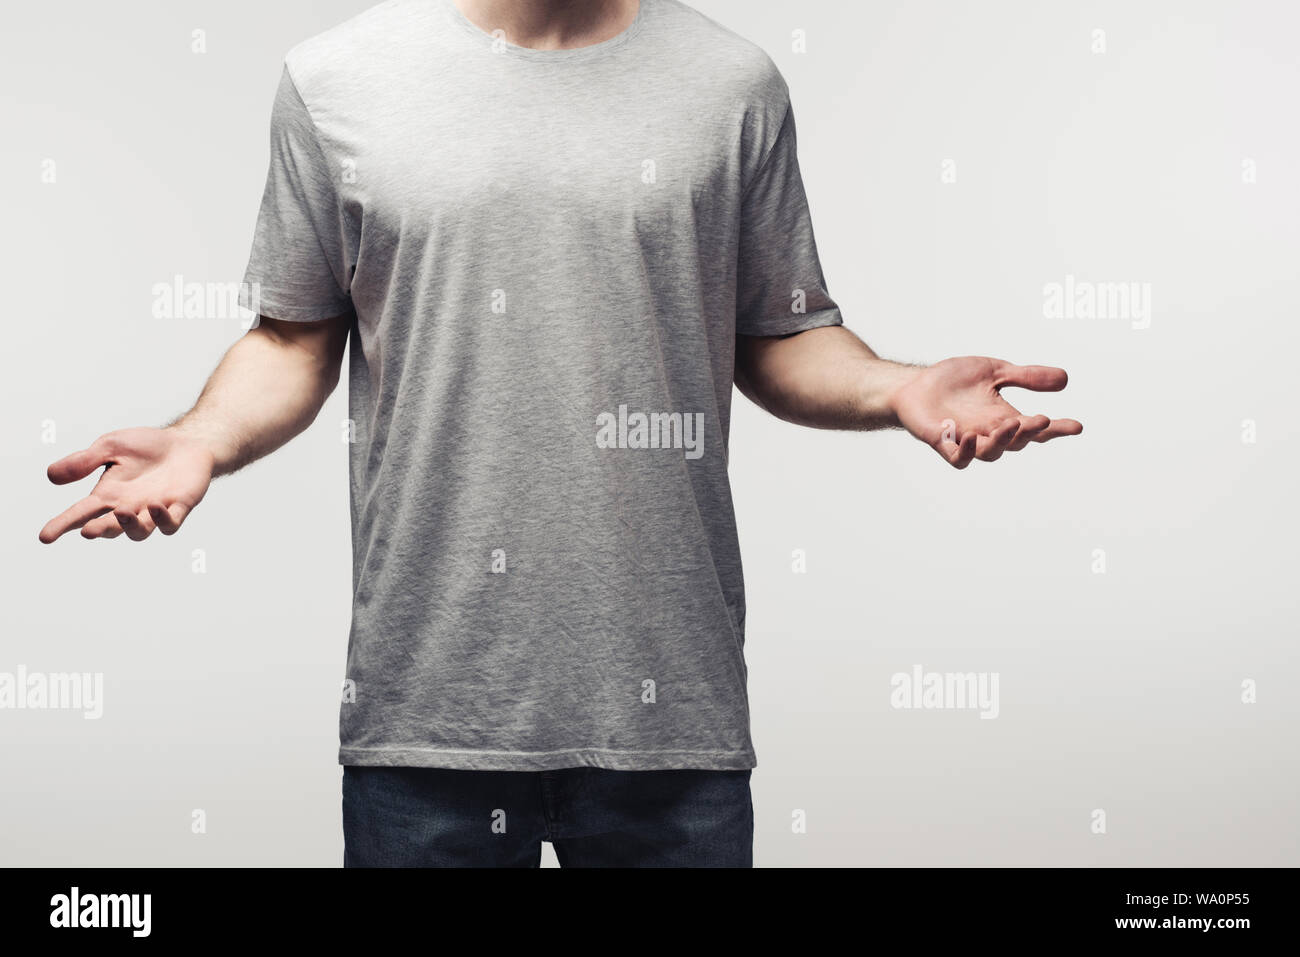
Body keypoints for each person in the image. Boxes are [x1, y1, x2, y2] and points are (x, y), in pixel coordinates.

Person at [38, 0, 1081, 867]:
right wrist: (200, 439)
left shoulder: (731, 85)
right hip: (428, 713)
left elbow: (778, 335)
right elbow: (293, 337)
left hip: (671, 716)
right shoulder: (336, 79)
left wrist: (899, 387)